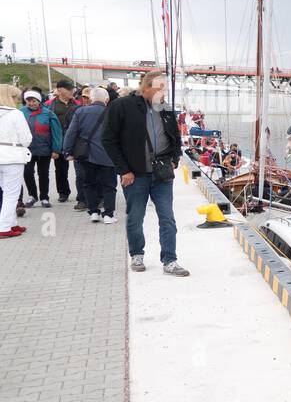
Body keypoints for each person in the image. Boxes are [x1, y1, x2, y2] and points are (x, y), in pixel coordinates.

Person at [102, 70, 187, 275]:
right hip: (136, 174)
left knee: (167, 217)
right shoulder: (122, 106)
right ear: (146, 87)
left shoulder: (165, 109)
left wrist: (175, 159)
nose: (164, 91)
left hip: (162, 174)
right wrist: (124, 170)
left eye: (165, 88)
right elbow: (108, 140)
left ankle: (170, 260)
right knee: (135, 216)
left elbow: (175, 136)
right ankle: (137, 255)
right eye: (160, 87)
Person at [62, 87, 118, 223]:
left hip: (86, 156)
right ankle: (108, 215)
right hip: (108, 156)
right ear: (107, 99)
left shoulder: (80, 111)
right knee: (109, 186)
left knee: (89, 184)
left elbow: (71, 133)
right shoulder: (112, 113)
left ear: (91, 99)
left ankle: (93, 212)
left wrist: (67, 151)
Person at [0, 84, 32, 238]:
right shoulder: (15, 114)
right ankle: (4, 227)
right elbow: (26, 139)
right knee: (11, 194)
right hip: (12, 156)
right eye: (17, 98)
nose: (19, 101)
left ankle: (11, 223)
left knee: (5, 191)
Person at [20, 89, 61, 207]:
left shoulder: (48, 113)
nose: (31, 103)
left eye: (34, 101)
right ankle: (32, 195)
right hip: (27, 150)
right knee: (27, 173)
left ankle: (44, 197)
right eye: (28, 101)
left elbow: (56, 132)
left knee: (43, 174)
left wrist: (56, 149)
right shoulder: (20, 112)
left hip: (44, 149)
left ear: (39, 101)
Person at [45, 79, 82, 206]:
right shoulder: (50, 105)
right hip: (59, 140)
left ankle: (81, 194)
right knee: (60, 169)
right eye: (69, 89)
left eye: (72, 89)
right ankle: (63, 192)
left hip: (76, 142)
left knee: (80, 170)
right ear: (60, 90)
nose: (72, 91)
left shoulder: (77, 104)